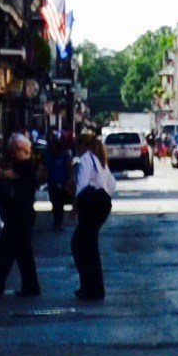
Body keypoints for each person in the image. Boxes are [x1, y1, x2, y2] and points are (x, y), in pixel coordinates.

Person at [0, 130, 48, 298]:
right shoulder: (23, 165)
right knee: (21, 253)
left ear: (18, 148)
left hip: (19, 216)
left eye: (12, 151)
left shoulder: (26, 166)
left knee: (7, 252)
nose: (11, 154)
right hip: (19, 215)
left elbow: (5, 175)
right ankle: (28, 285)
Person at [65, 127, 114, 301]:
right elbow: (111, 184)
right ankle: (93, 288)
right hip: (102, 203)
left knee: (80, 244)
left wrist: (75, 206)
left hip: (91, 204)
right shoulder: (99, 159)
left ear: (83, 146)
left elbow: (82, 185)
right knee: (88, 245)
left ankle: (89, 287)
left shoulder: (86, 159)